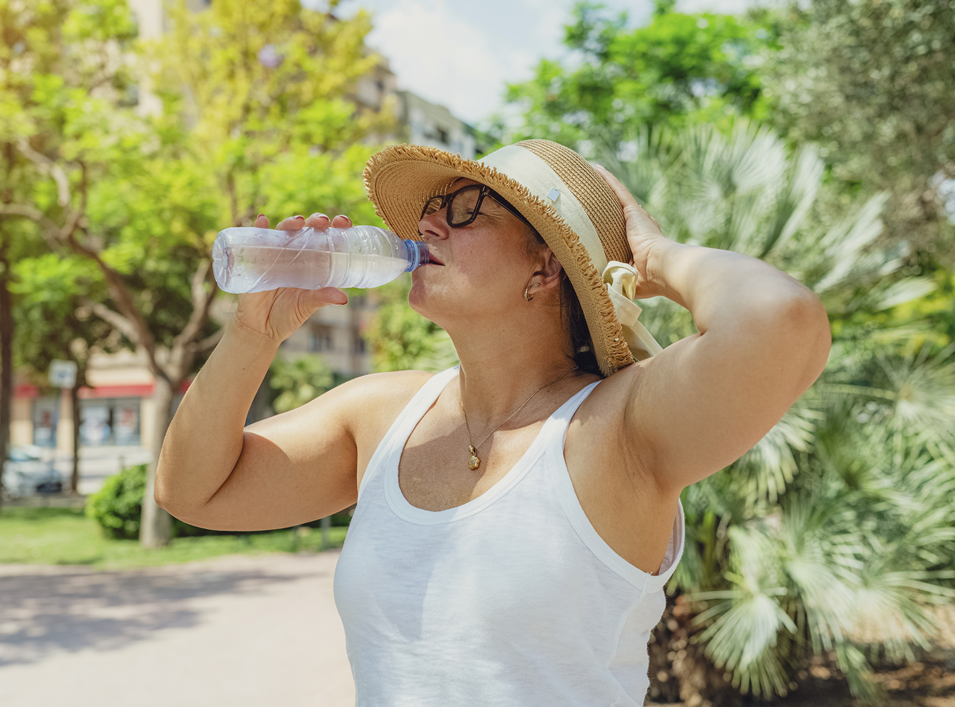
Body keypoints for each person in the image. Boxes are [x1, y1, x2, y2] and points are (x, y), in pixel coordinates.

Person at [155, 139, 832, 706]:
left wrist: (649, 259)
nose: (427, 227)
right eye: (428, 211)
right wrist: (253, 333)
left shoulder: (617, 428)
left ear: (545, 265)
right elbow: (192, 491)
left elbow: (781, 319)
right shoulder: (381, 414)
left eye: (465, 210)